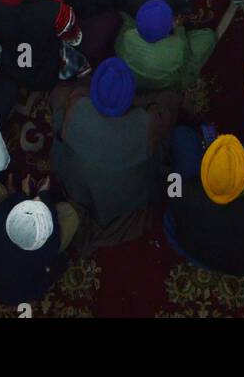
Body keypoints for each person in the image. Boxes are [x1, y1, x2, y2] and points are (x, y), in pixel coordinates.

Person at [49, 58, 179, 243]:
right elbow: (164, 114)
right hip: (124, 199)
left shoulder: (77, 107)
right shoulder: (144, 125)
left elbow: (62, 99)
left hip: (76, 186)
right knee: (170, 102)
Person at [167, 131, 244, 273]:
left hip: (199, 255)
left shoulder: (184, 191)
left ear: (204, 175)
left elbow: (173, 193)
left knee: (180, 134)